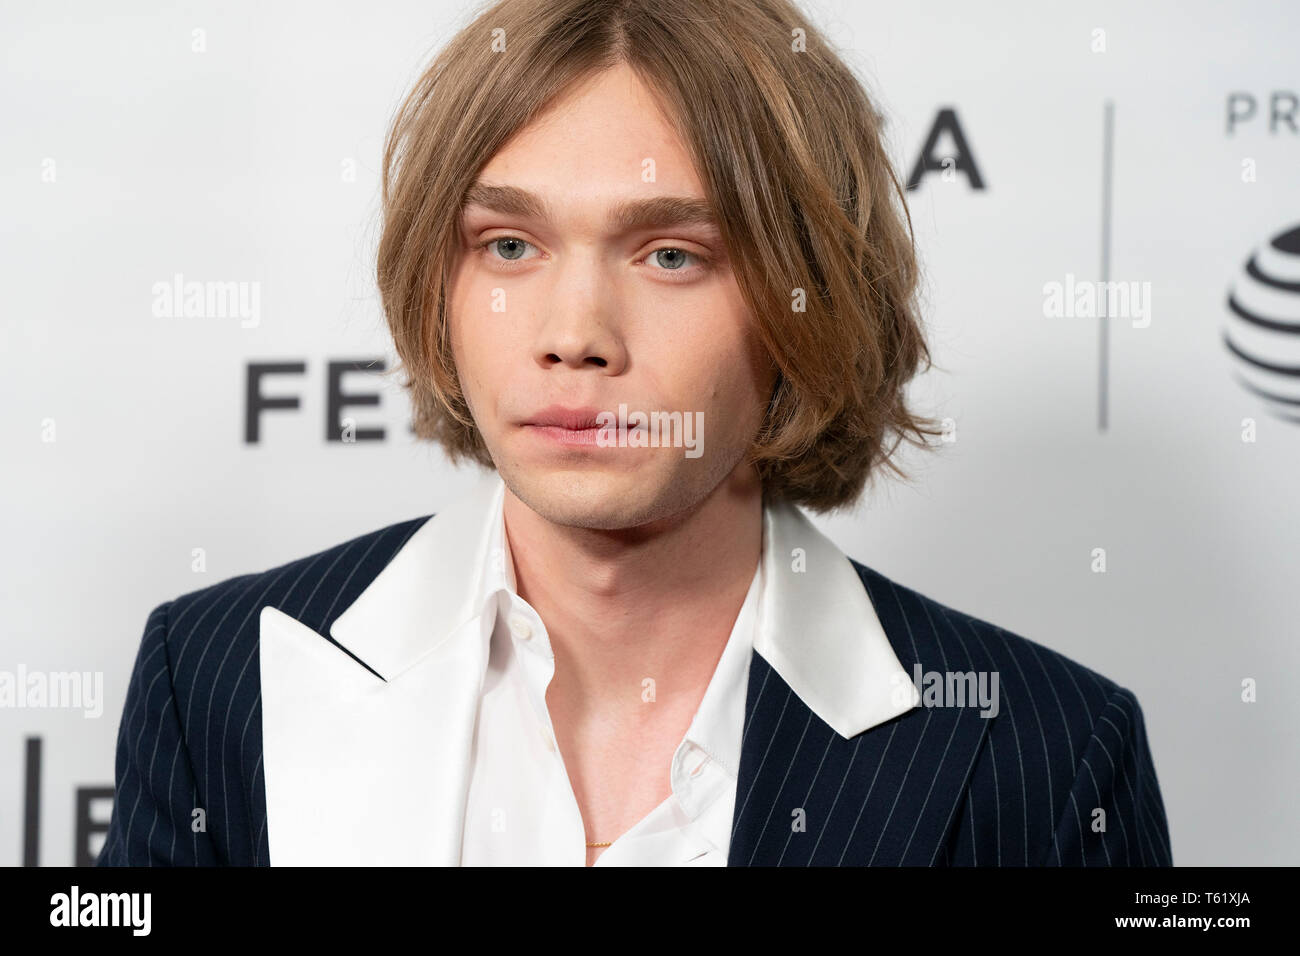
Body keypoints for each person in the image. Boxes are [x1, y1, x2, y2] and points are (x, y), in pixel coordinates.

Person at [98, 0, 1171, 866]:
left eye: (669, 254)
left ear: (812, 302)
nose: (573, 335)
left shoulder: (1044, 750)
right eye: (509, 245)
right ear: (440, 285)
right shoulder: (212, 680)